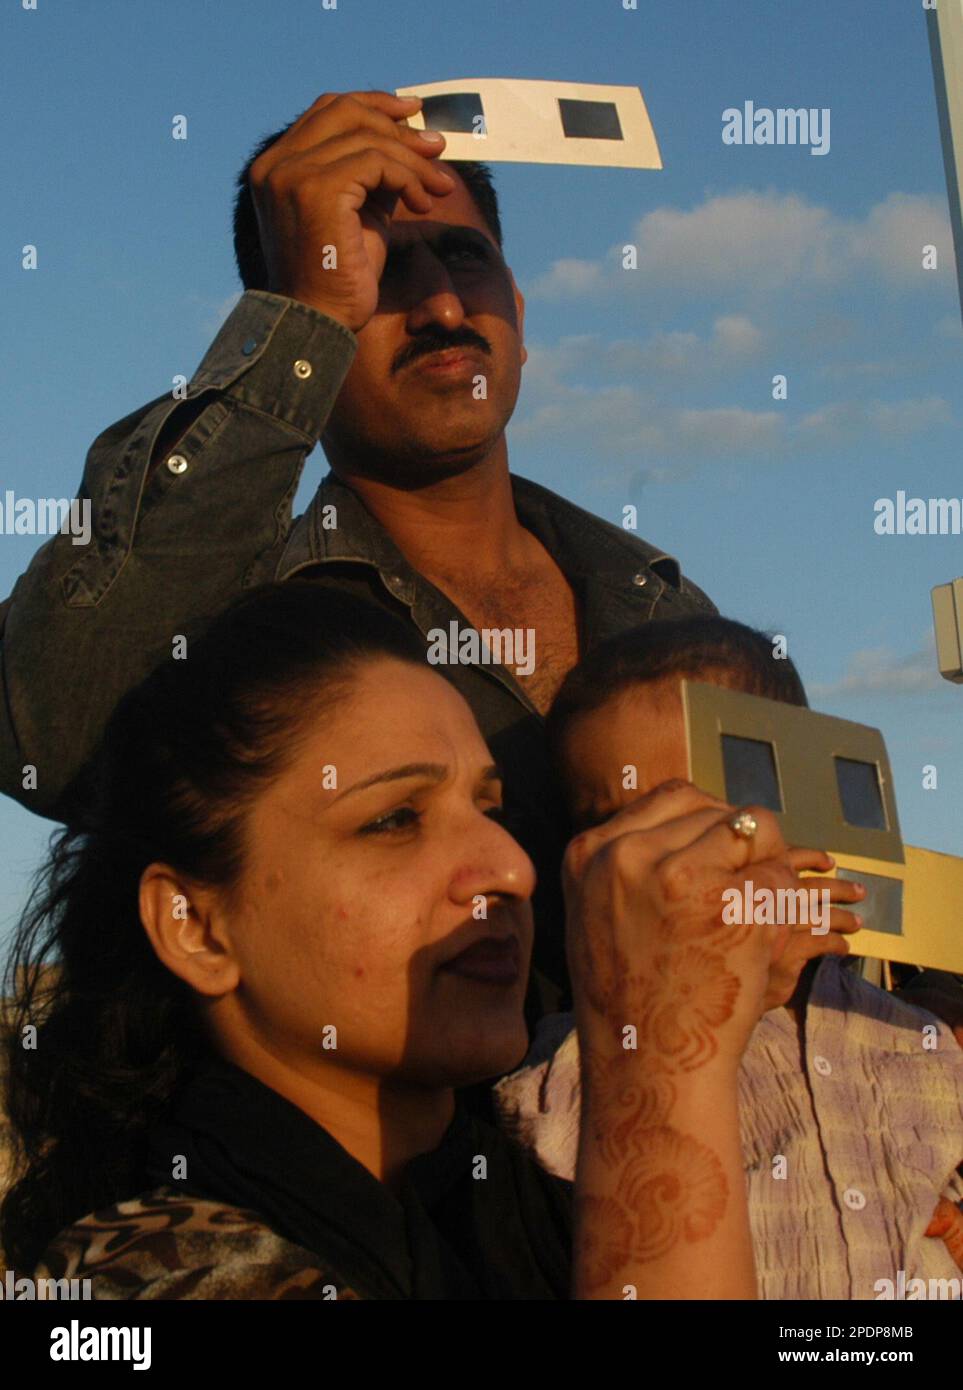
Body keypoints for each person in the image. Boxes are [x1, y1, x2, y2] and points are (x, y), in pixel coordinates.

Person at [0, 89, 714, 998]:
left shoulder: (663, 608)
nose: (443, 308)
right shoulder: (254, 628)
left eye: (464, 256)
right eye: (378, 274)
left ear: (523, 315)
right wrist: (302, 313)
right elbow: (55, 742)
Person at [2, 583, 801, 1300]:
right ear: (197, 927)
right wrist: (658, 1056)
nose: (511, 869)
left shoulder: (538, 1223)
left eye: (492, 812)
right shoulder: (144, 1274)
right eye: (393, 820)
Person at [495, 616, 963, 1299]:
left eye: (708, 826)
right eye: (623, 837)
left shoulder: (916, 1038)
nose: (674, 869)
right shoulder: (588, 1059)